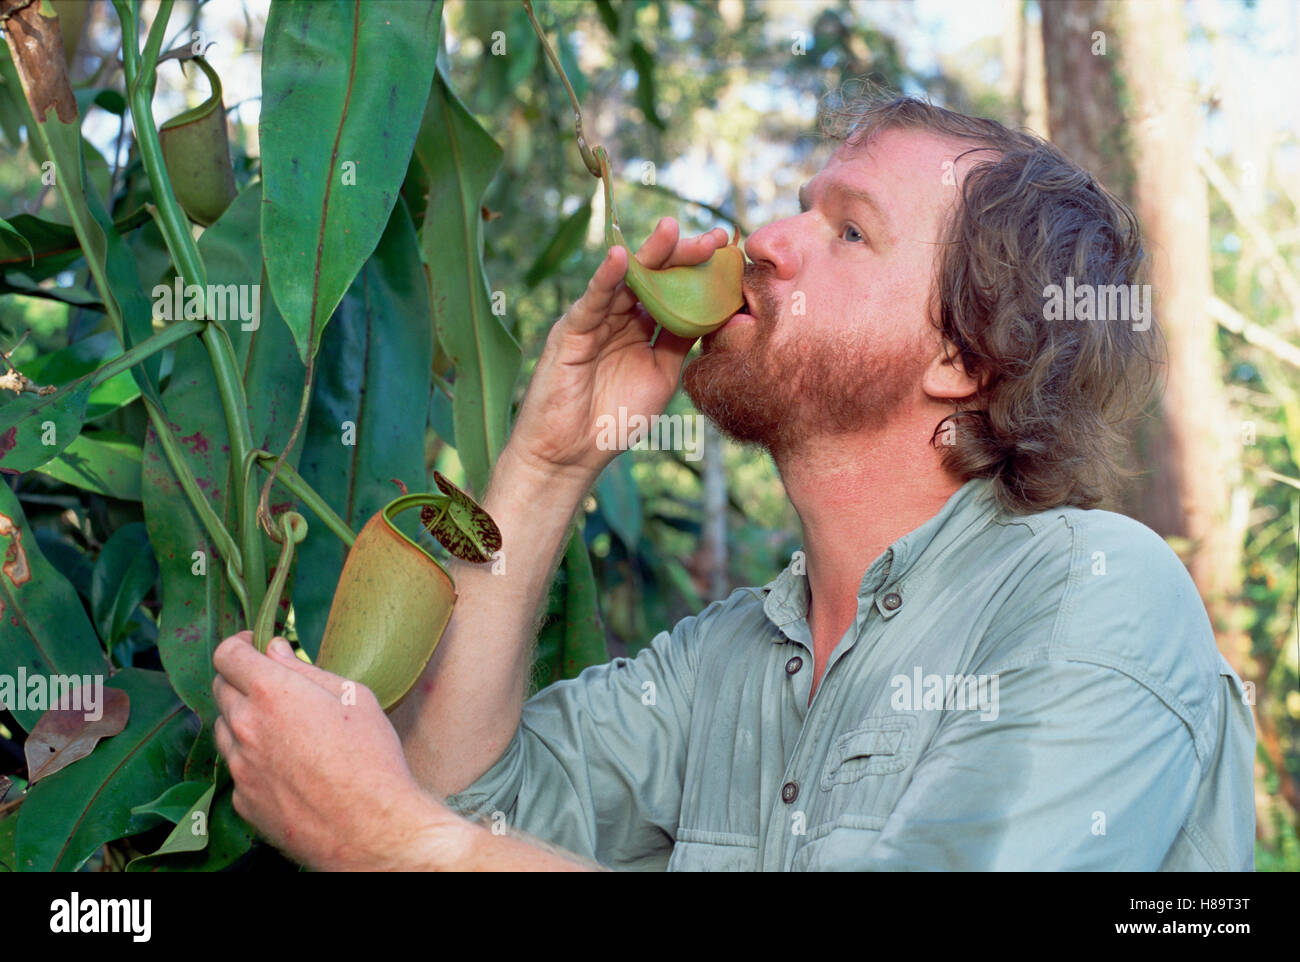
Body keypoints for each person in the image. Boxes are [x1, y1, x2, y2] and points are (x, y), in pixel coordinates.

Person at [212, 90, 1256, 871]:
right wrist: (551, 458)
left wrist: (392, 842)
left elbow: (425, 829)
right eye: (801, 206)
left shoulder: (1093, 595)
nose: (765, 240)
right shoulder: (727, 660)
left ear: (964, 357)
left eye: (849, 230)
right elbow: (467, 794)